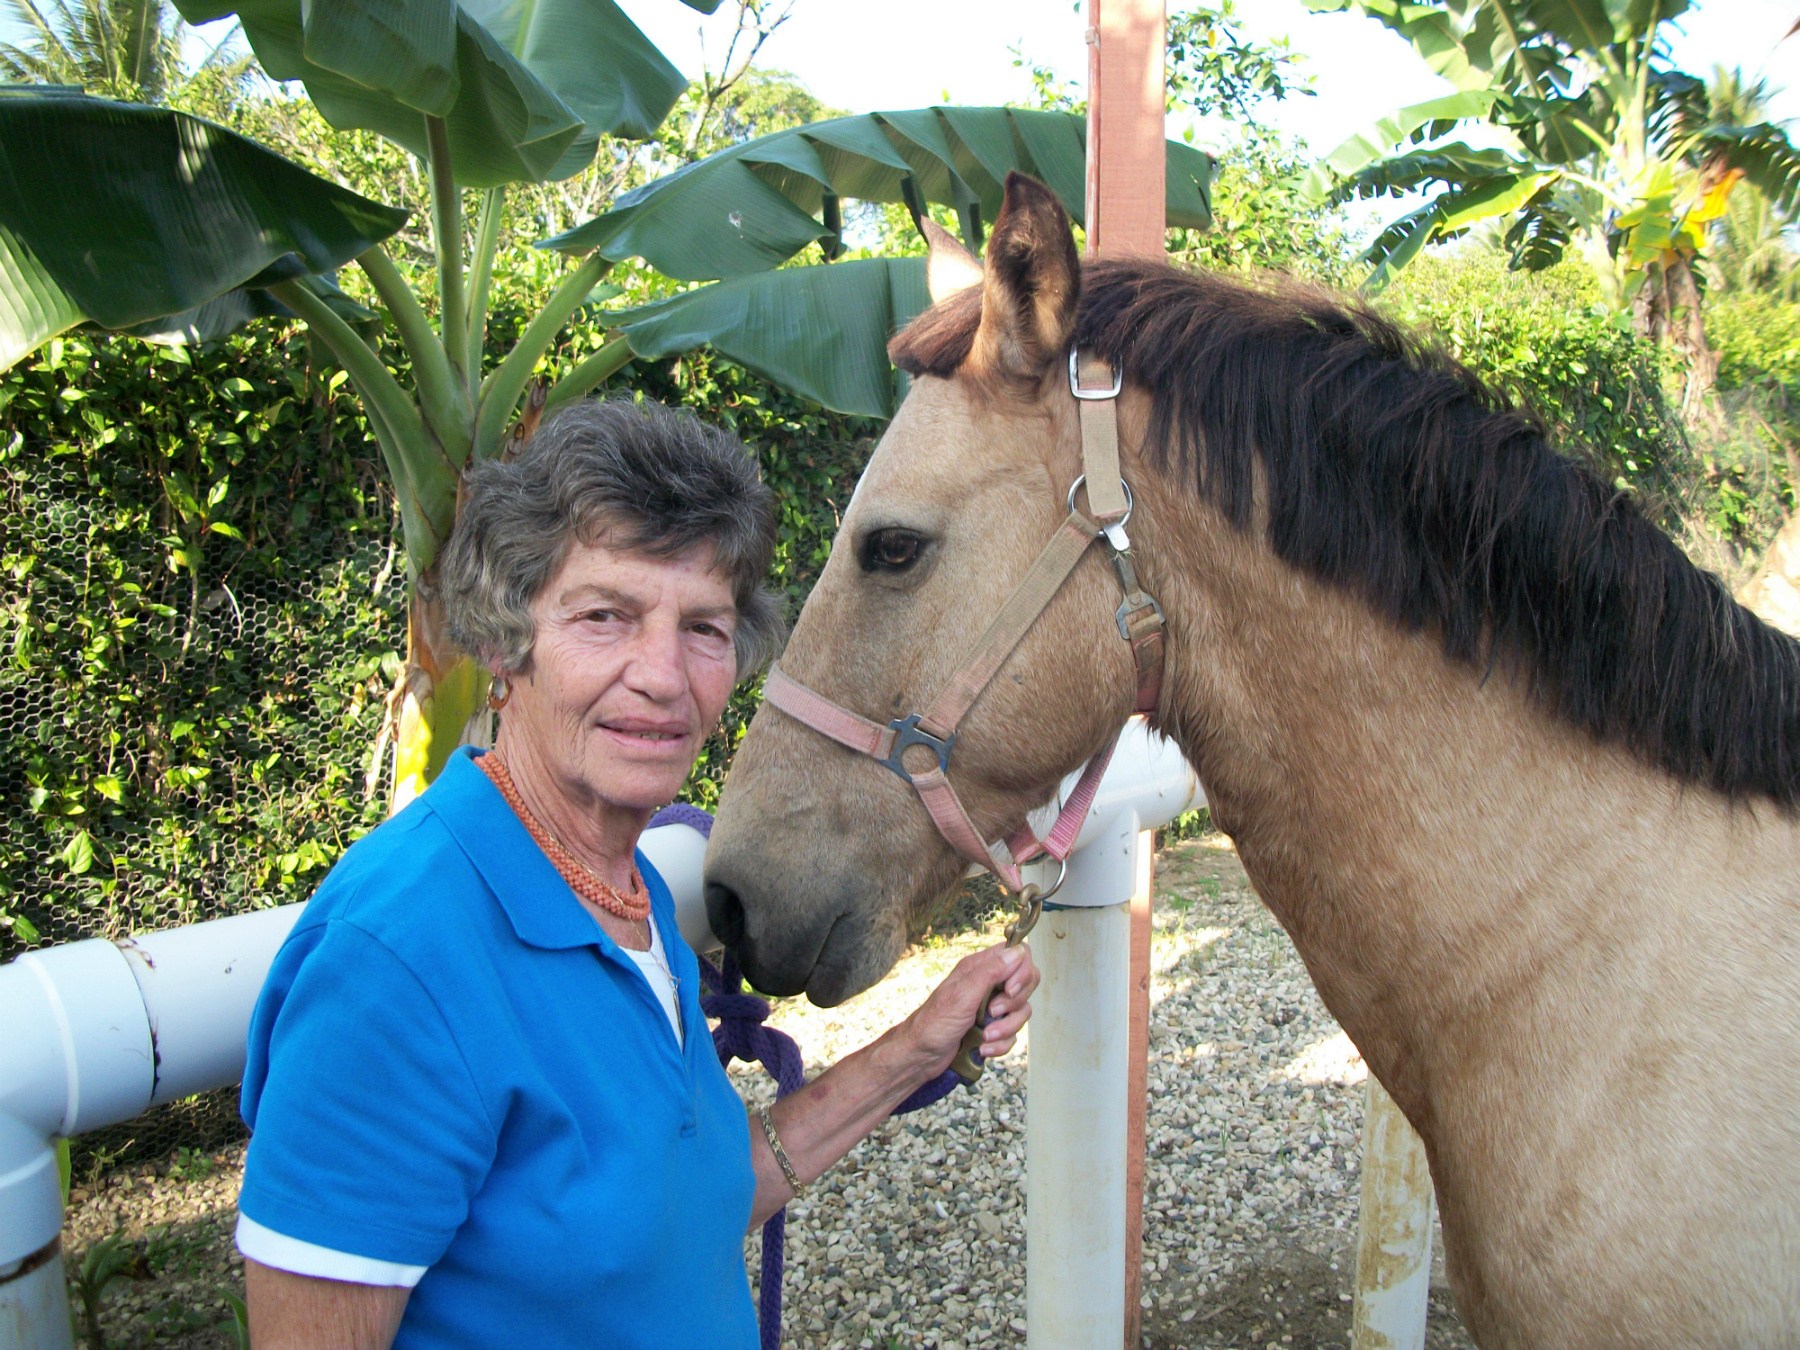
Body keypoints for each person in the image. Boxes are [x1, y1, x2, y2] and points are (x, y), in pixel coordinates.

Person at [233, 398, 1040, 1349]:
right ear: (501, 639)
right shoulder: (396, 963)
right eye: (605, 616)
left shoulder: (625, 886)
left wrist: (916, 1044)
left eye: (703, 627)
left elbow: (690, 1205)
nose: (662, 675)